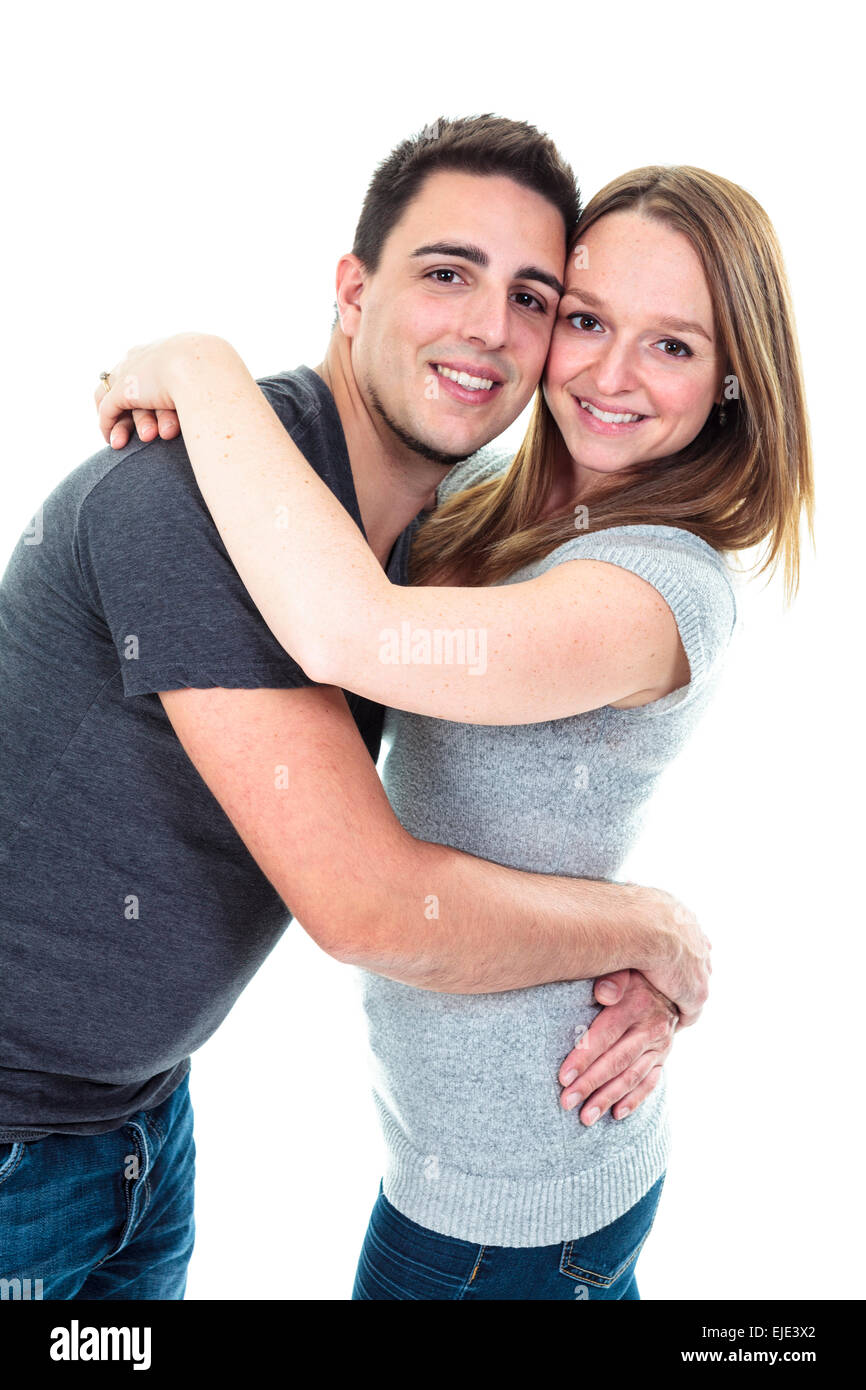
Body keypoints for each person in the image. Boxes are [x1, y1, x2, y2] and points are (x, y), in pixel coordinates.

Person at [0, 116, 701, 1302]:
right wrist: (652, 933)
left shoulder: (438, 534)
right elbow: (367, 900)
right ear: (352, 289)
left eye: (535, 298)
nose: (487, 326)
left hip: (141, 1126)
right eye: (446, 273)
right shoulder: (184, 506)